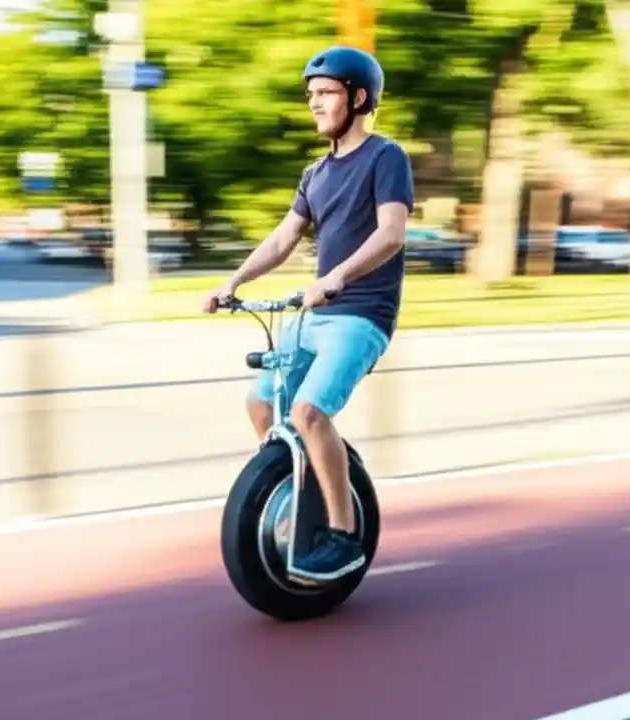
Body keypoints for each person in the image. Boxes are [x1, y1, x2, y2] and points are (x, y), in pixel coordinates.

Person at [202, 46, 414, 583]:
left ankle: (343, 536)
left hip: (361, 314)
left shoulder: (386, 158)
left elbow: (391, 233)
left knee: (308, 414)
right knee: (260, 405)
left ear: (358, 98)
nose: (314, 104)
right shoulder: (315, 173)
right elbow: (282, 239)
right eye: (311, 95)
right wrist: (234, 282)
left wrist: (338, 276)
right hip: (315, 311)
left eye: (325, 93)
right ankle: (308, 481)